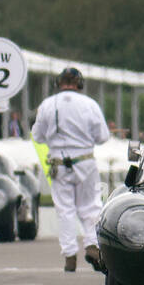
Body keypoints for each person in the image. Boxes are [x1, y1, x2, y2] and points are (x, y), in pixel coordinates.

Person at [33, 67, 110, 272]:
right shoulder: (90, 104)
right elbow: (103, 136)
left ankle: (69, 255)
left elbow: (38, 136)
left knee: (65, 210)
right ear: (79, 83)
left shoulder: (47, 105)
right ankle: (92, 244)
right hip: (84, 160)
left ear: (58, 83)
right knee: (91, 206)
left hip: (59, 162)